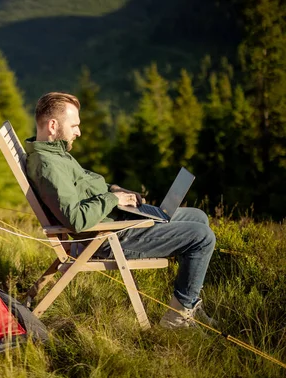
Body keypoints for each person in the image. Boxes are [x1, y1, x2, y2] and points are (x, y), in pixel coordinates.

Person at [24, 92, 216, 329]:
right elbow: (76, 219)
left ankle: (188, 300)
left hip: (117, 221)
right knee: (202, 237)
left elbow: (87, 184)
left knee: (198, 216)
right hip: (110, 237)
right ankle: (178, 316)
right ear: (53, 125)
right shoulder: (48, 166)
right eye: (74, 125)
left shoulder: (55, 153)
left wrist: (115, 191)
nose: (78, 132)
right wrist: (112, 199)